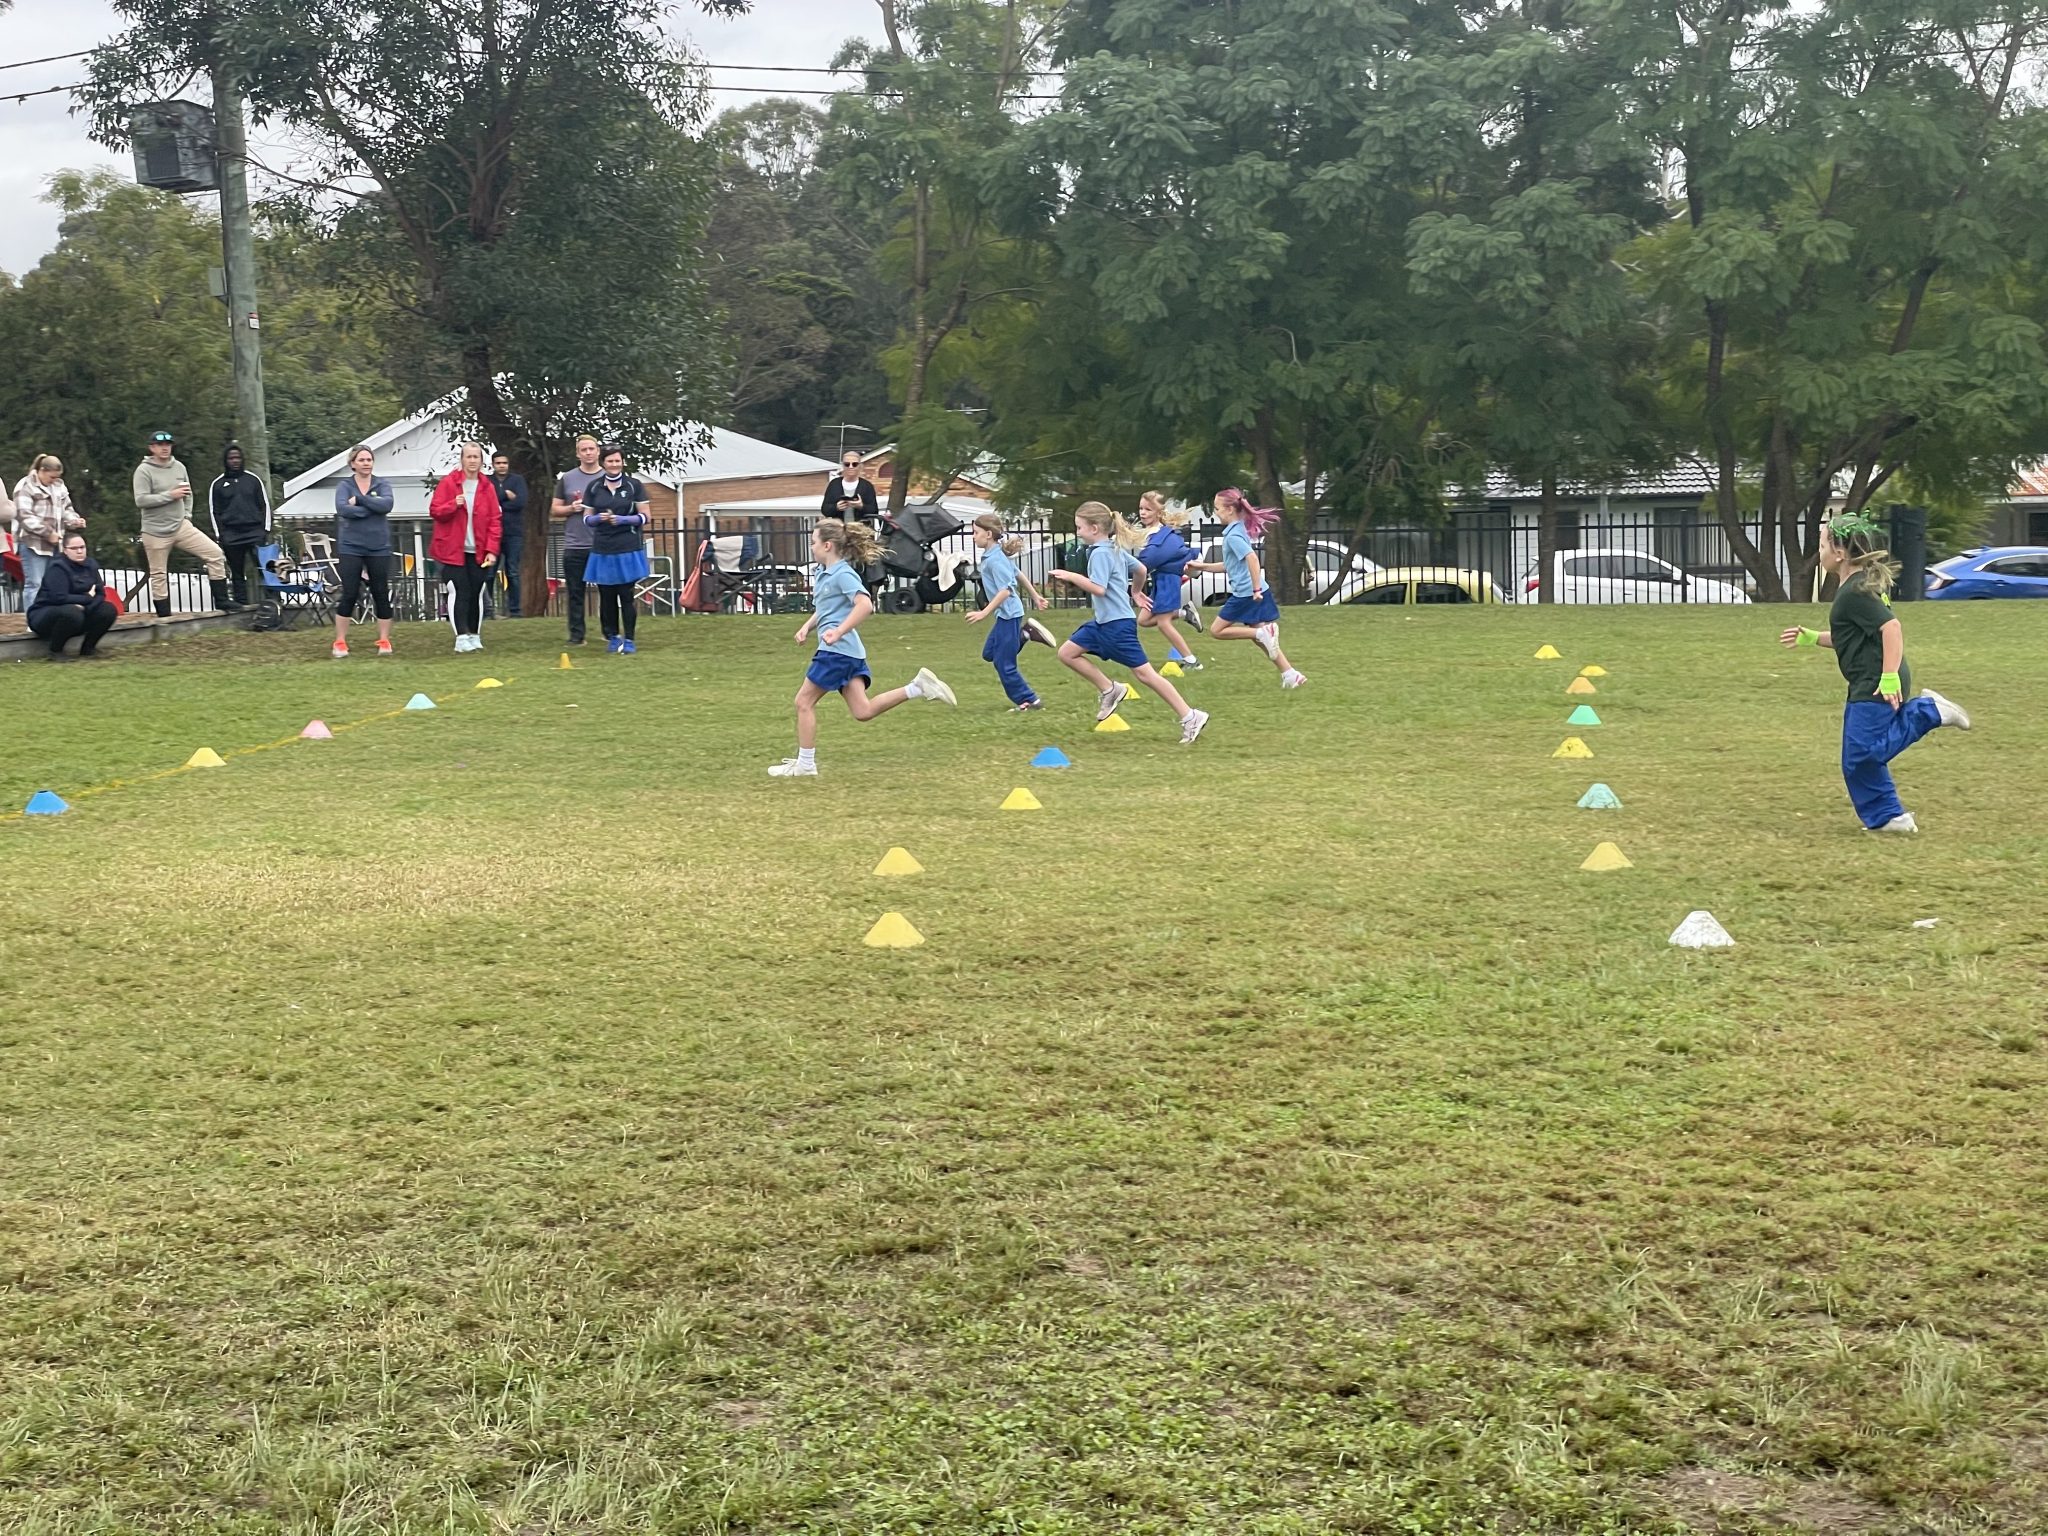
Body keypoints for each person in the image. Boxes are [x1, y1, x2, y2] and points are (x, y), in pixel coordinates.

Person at [1778, 510, 1971, 835]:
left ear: (1840, 553)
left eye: (1822, 545)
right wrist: (1812, 638)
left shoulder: (1855, 591)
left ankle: (1930, 711)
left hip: (1876, 681)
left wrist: (1889, 676)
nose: (1820, 552)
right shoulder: (1853, 588)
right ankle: (1889, 818)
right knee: (1859, 758)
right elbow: (1851, 636)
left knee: (1863, 754)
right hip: (1870, 680)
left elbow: (1891, 629)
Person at [767, 517, 956, 777]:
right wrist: (807, 627)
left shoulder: (843, 574)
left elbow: (865, 605)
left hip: (836, 652)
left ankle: (806, 765)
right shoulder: (825, 573)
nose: (811, 547)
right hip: (848, 653)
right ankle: (917, 687)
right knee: (863, 711)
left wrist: (839, 631)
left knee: (803, 702)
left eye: (813, 542)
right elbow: (827, 609)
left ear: (828, 546)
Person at [1046, 502, 1209, 744]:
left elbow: (1099, 589)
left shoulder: (1101, 553)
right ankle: (1110, 689)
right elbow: (1141, 569)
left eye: (1079, 527)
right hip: (1104, 622)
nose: (1077, 532)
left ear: (1094, 528)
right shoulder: (1112, 548)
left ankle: (1190, 715)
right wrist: (1135, 591)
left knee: (1146, 675)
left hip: (1117, 625)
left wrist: (1071, 576)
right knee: (1068, 652)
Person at [1183, 488, 1304, 688]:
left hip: (1247, 594)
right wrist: (1202, 566)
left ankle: (1263, 635)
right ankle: (1290, 674)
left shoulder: (1233, 536)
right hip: (1255, 592)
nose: (1216, 513)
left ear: (1230, 509)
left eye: (1217, 508)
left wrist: (1255, 589)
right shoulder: (1237, 530)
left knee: (1217, 631)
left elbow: (1252, 559)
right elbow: (1230, 566)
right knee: (1263, 637)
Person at [134, 430, 235, 617]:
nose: (165, 448)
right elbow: (141, 500)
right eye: (160, 445)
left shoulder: (179, 467)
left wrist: (186, 515)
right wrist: (169, 496)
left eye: (168, 445)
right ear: (152, 448)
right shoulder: (144, 470)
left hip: (180, 526)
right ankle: (164, 616)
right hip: (155, 531)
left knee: (214, 554)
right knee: (159, 574)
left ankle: (222, 601)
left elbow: (187, 494)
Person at [964, 512, 1050, 711]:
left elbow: (1005, 590)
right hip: (1005, 615)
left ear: (988, 534)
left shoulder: (995, 560)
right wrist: (1035, 596)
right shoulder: (994, 555)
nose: (973, 536)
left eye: (975, 532)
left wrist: (984, 612)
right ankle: (1025, 634)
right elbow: (1017, 574)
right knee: (989, 654)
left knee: (1004, 665)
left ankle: (1029, 701)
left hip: (1009, 616)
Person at [428, 442, 502, 653]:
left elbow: (495, 521)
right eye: (468, 457)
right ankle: (461, 636)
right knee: (459, 591)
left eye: (476, 457)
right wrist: (454, 504)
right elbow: (435, 511)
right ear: (462, 459)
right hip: (452, 551)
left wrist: (491, 549)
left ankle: (474, 634)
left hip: (478, 552)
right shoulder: (448, 483)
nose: (472, 461)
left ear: (481, 461)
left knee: (476, 592)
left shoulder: (487, 487)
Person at [582, 445, 652, 655]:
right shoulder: (594, 487)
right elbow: (586, 518)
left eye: (617, 461)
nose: (614, 465)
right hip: (603, 549)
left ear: (623, 462)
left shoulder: (634, 485)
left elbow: (646, 516)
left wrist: (623, 519)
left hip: (627, 547)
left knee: (626, 595)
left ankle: (629, 639)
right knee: (606, 595)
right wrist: (597, 518)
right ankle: (612, 637)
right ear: (603, 463)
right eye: (610, 461)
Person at [332, 444, 397, 659]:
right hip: (351, 546)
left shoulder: (382, 484)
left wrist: (360, 501)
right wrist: (370, 509)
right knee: (350, 592)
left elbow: (386, 505)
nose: (366, 463)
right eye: (361, 460)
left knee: (380, 592)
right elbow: (343, 510)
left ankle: (384, 640)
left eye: (369, 460)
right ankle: (340, 641)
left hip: (378, 546)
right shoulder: (344, 486)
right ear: (353, 463)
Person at [1134, 490, 1202, 670]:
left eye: (1148, 509)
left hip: (1169, 581)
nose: (1143, 512)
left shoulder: (1162, 536)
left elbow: (1146, 562)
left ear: (1159, 512)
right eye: (1141, 508)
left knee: (1164, 623)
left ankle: (1192, 661)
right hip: (1160, 580)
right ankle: (1183, 613)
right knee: (1143, 619)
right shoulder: (1152, 533)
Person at [11, 453, 85, 611]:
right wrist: (48, 533)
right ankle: (33, 619)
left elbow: (66, 509)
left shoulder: (59, 486)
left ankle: (50, 616)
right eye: (51, 477)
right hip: (32, 543)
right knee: (35, 583)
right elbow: (24, 516)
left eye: (56, 477)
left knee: (53, 583)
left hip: (55, 545)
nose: (53, 480)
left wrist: (74, 520)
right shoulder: (25, 486)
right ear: (42, 471)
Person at [28, 531, 118, 659]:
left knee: (108, 610)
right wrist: (86, 598)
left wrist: (85, 607)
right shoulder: (57, 568)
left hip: (78, 612)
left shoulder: (91, 565)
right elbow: (59, 597)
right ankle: (55, 651)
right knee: (72, 612)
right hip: (45, 615)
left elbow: (100, 593)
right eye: (74, 548)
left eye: (82, 547)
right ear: (65, 550)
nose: (79, 551)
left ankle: (88, 649)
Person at [551, 434, 604, 644]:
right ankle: (576, 635)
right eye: (584, 450)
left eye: (592, 449)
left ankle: (609, 633)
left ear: (598, 451)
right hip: (575, 544)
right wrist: (571, 508)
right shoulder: (567, 478)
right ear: (577, 453)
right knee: (575, 592)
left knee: (608, 591)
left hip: (602, 543)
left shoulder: (609, 477)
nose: (588, 453)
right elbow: (555, 509)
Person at [207, 443, 272, 607]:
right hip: (231, 535)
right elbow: (215, 511)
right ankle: (241, 604)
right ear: (225, 461)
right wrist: (220, 535)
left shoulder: (253, 480)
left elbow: (264, 505)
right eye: (231, 458)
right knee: (237, 572)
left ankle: (272, 600)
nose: (235, 461)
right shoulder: (218, 484)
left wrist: (265, 529)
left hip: (255, 532)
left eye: (237, 457)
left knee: (266, 568)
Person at [489, 451, 528, 617]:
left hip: (514, 532)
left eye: (504, 462)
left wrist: (498, 504)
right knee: (489, 572)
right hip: (492, 533)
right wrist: (505, 495)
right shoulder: (487, 481)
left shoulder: (517, 480)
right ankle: (488, 610)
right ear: (493, 465)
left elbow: (521, 502)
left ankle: (515, 610)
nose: (501, 466)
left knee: (512, 571)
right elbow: (485, 502)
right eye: (498, 463)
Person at [821, 452, 880, 525]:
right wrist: (836, 507)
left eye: (854, 464)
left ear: (860, 466)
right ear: (843, 466)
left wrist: (861, 506)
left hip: (861, 530)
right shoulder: (834, 484)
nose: (850, 467)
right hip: (839, 530)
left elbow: (874, 510)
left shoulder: (867, 486)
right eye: (847, 464)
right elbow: (825, 510)